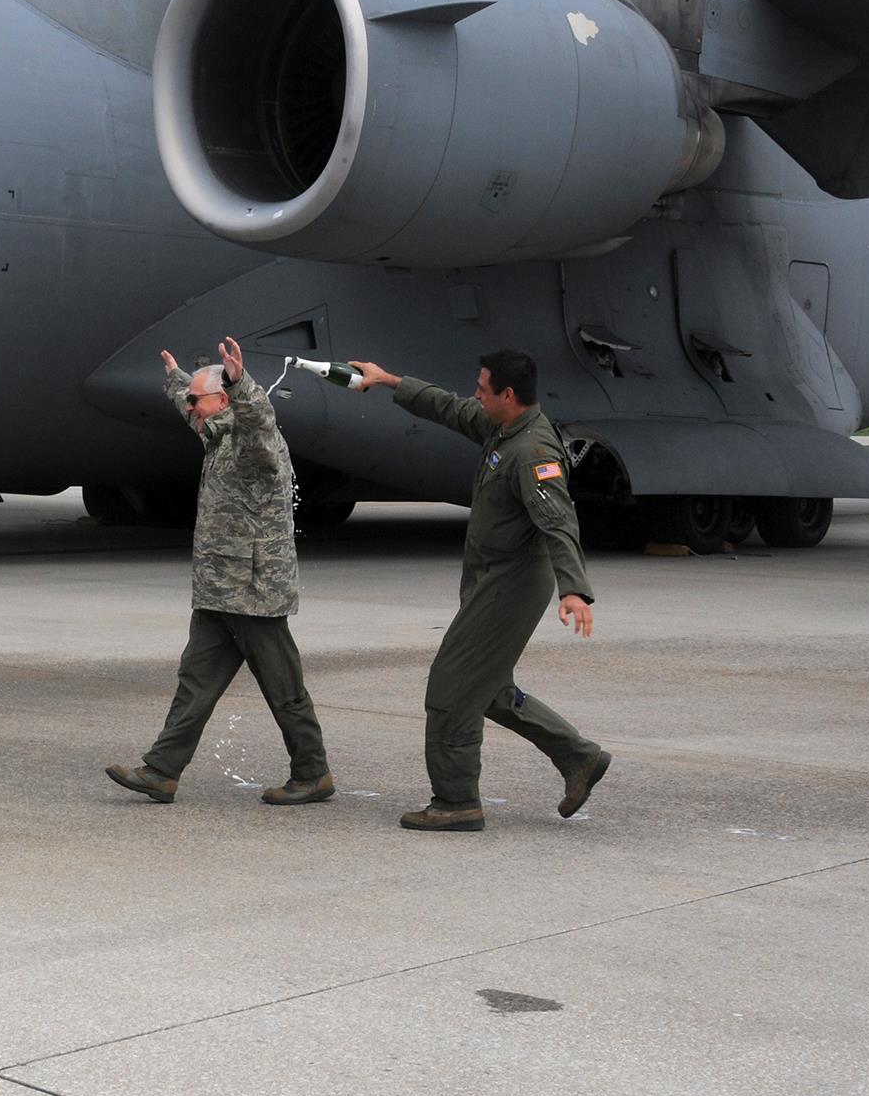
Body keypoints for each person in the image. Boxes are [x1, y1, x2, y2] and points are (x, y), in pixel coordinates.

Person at [347, 349, 611, 831]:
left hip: (512, 584)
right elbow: (447, 406)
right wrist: (387, 380)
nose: (476, 393)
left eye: (483, 388)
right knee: (488, 689)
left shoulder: (534, 451)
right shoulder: (502, 427)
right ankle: (579, 758)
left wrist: (575, 590)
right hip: (491, 578)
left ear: (507, 395)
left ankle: (456, 801)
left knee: (451, 687)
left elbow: (558, 523)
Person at [108, 336, 335, 806]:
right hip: (218, 589)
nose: (191, 407)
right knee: (195, 681)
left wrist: (241, 381)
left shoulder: (254, 440)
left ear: (225, 399)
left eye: (198, 399)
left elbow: (259, 418)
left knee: (283, 687)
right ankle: (161, 771)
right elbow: (197, 414)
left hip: (253, 590)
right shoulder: (219, 433)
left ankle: (313, 773)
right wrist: (177, 382)